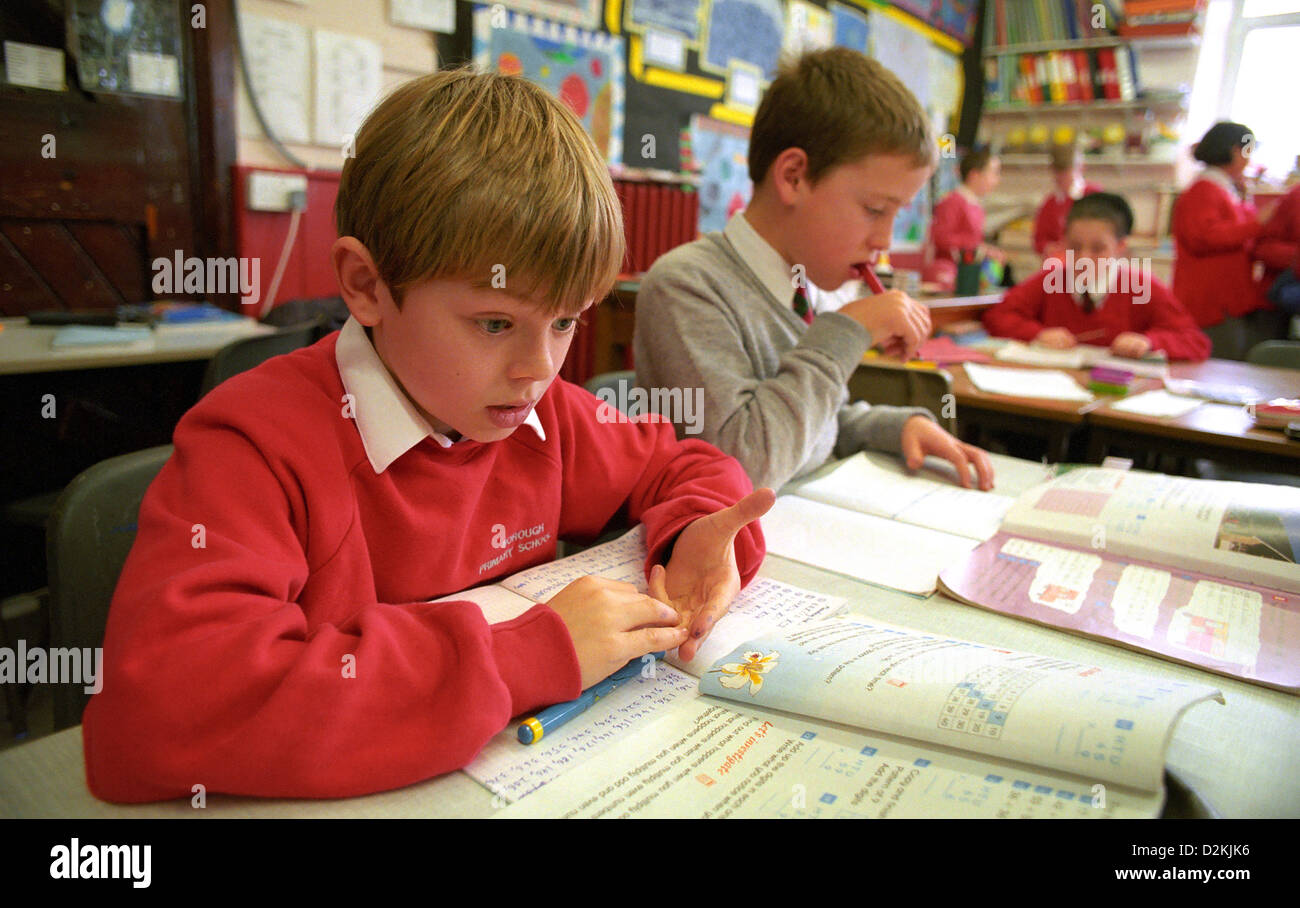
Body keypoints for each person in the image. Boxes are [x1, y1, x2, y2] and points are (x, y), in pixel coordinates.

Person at [81, 69, 772, 803]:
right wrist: (530, 656)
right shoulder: (254, 444)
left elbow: (686, 464)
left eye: (565, 322)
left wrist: (697, 532)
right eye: (495, 323)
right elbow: (168, 707)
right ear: (367, 285)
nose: (537, 369)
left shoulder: (545, 416)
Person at [634, 47, 994, 494]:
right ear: (794, 177)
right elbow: (741, 465)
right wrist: (845, 331)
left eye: (896, 215)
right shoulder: (685, 286)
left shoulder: (807, 285)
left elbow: (810, 424)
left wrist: (891, 427)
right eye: (875, 209)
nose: (884, 240)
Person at [983, 192, 1210, 361]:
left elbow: (1195, 342)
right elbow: (998, 316)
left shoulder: (1142, 286)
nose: (1083, 258)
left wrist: (1149, 341)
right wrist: (1038, 334)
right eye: (1075, 246)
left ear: (1120, 247)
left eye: (1098, 249)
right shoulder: (1051, 280)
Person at [1171, 121, 1286, 359]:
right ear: (1235, 151)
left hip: (1225, 299)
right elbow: (1204, 237)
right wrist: (1258, 223)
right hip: (1210, 299)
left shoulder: (1226, 189)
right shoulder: (1204, 189)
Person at [924, 145, 1007, 291]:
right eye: (994, 173)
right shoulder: (952, 202)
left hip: (968, 273)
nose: (997, 180)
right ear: (975, 175)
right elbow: (941, 238)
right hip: (948, 273)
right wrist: (979, 249)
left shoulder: (976, 204)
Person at [1033, 143, 1102, 260]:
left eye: (1066, 173)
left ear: (1081, 168)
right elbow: (1039, 240)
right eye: (1058, 174)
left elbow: (1103, 234)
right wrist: (1048, 248)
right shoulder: (1050, 203)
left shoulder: (1095, 196)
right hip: (1060, 265)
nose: (1061, 178)